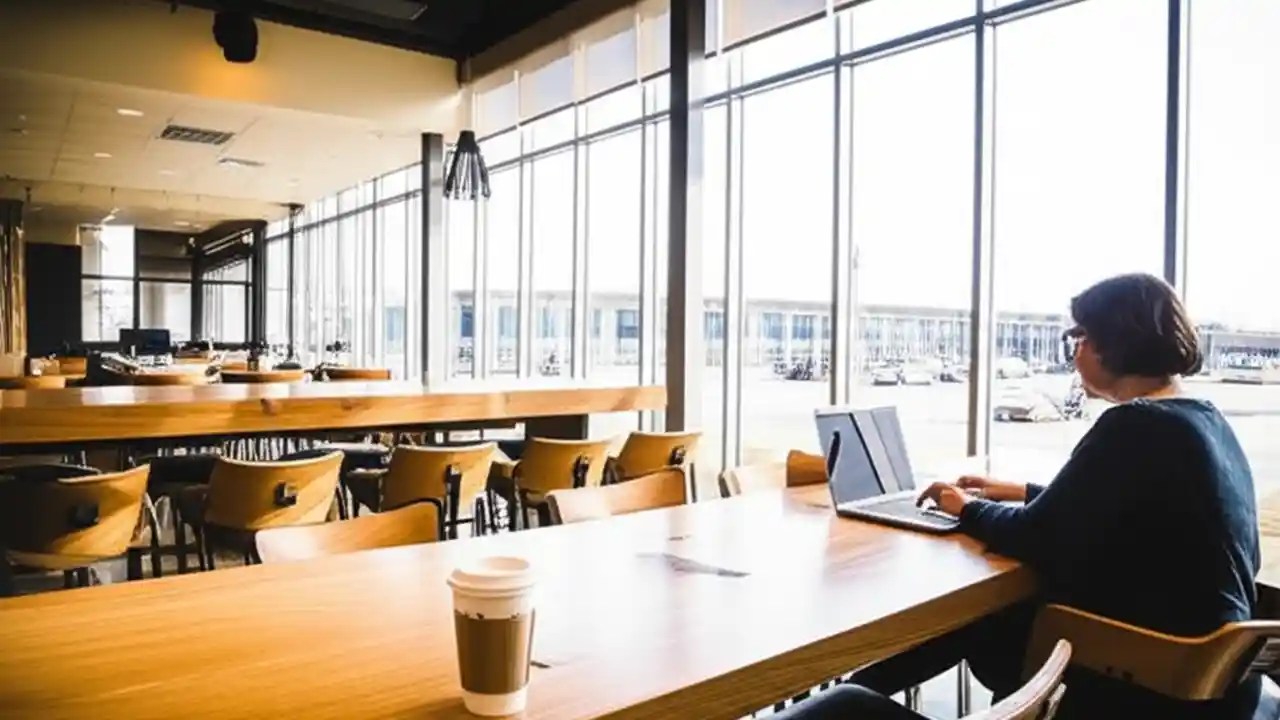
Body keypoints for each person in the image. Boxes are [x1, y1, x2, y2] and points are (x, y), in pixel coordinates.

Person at [778, 273, 1261, 719]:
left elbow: (1038, 535)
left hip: (1142, 686)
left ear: (1110, 343)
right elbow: (1118, 507)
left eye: (1080, 336)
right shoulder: (1203, 420)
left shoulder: (1135, 425)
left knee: (966, 623)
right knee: (978, 618)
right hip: (1214, 685)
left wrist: (968, 508)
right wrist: (1020, 491)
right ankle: (862, 684)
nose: (1074, 352)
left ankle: (846, 690)